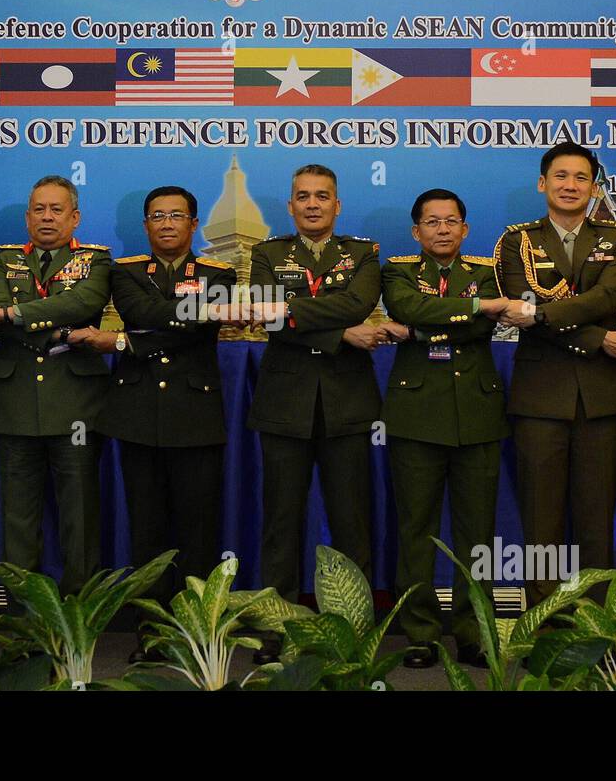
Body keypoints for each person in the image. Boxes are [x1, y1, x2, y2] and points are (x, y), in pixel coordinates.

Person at [91, 185, 238, 663]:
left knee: (198, 532)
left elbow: (186, 327)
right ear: (146, 224)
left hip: (195, 415)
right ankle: (151, 635)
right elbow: (141, 313)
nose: (167, 223)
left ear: (194, 224)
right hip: (137, 417)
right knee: (147, 533)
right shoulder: (126, 272)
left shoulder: (221, 271)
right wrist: (183, 319)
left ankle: (198, 635)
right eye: (158, 215)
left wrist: (131, 343)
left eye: (177, 215)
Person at [247, 163, 382, 663]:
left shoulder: (364, 253)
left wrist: (303, 311)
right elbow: (266, 312)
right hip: (285, 405)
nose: (312, 204)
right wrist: (339, 332)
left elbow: (358, 304)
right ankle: (275, 631)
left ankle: (354, 632)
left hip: (346, 404)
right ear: (290, 205)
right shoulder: (266, 253)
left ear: (337, 204)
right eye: (302, 196)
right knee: (281, 524)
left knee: (351, 523)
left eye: (322, 196)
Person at [494, 142, 616, 603]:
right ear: (543, 183)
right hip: (541, 395)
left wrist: (540, 317)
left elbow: (608, 297)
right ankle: (544, 618)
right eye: (561, 176)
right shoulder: (516, 241)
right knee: (541, 517)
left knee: (596, 514)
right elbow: (523, 304)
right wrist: (598, 339)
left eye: (581, 178)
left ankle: (597, 617)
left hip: (603, 394)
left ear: (594, 188)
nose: (570, 185)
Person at [380, 188, 510, 669]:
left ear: (465, 228)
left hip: (477, 414)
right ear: (417, 231)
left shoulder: (484, 271)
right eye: (431, 223)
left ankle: (472, 631)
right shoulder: (396, 271)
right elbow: (408, 309)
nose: (442, 230)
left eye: (451, 221)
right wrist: (477, 308)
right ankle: (420, 633)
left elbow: (473, 332)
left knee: (477, 534)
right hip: (416, 415)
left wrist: (423, 328)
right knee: (417, 530)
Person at [0, 175, 111, 595]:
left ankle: (80, 611)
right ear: (28, 216)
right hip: (14, 403)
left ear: (75, 217)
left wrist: (15, 317)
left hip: (76, 404)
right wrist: (61, 333)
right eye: (39, 209)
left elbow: (83, 303)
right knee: (17, 516)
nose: (47, 217)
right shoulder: (5, 260)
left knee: (79, 515)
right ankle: (23, 618)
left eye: (56, 210)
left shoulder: (96, 261)